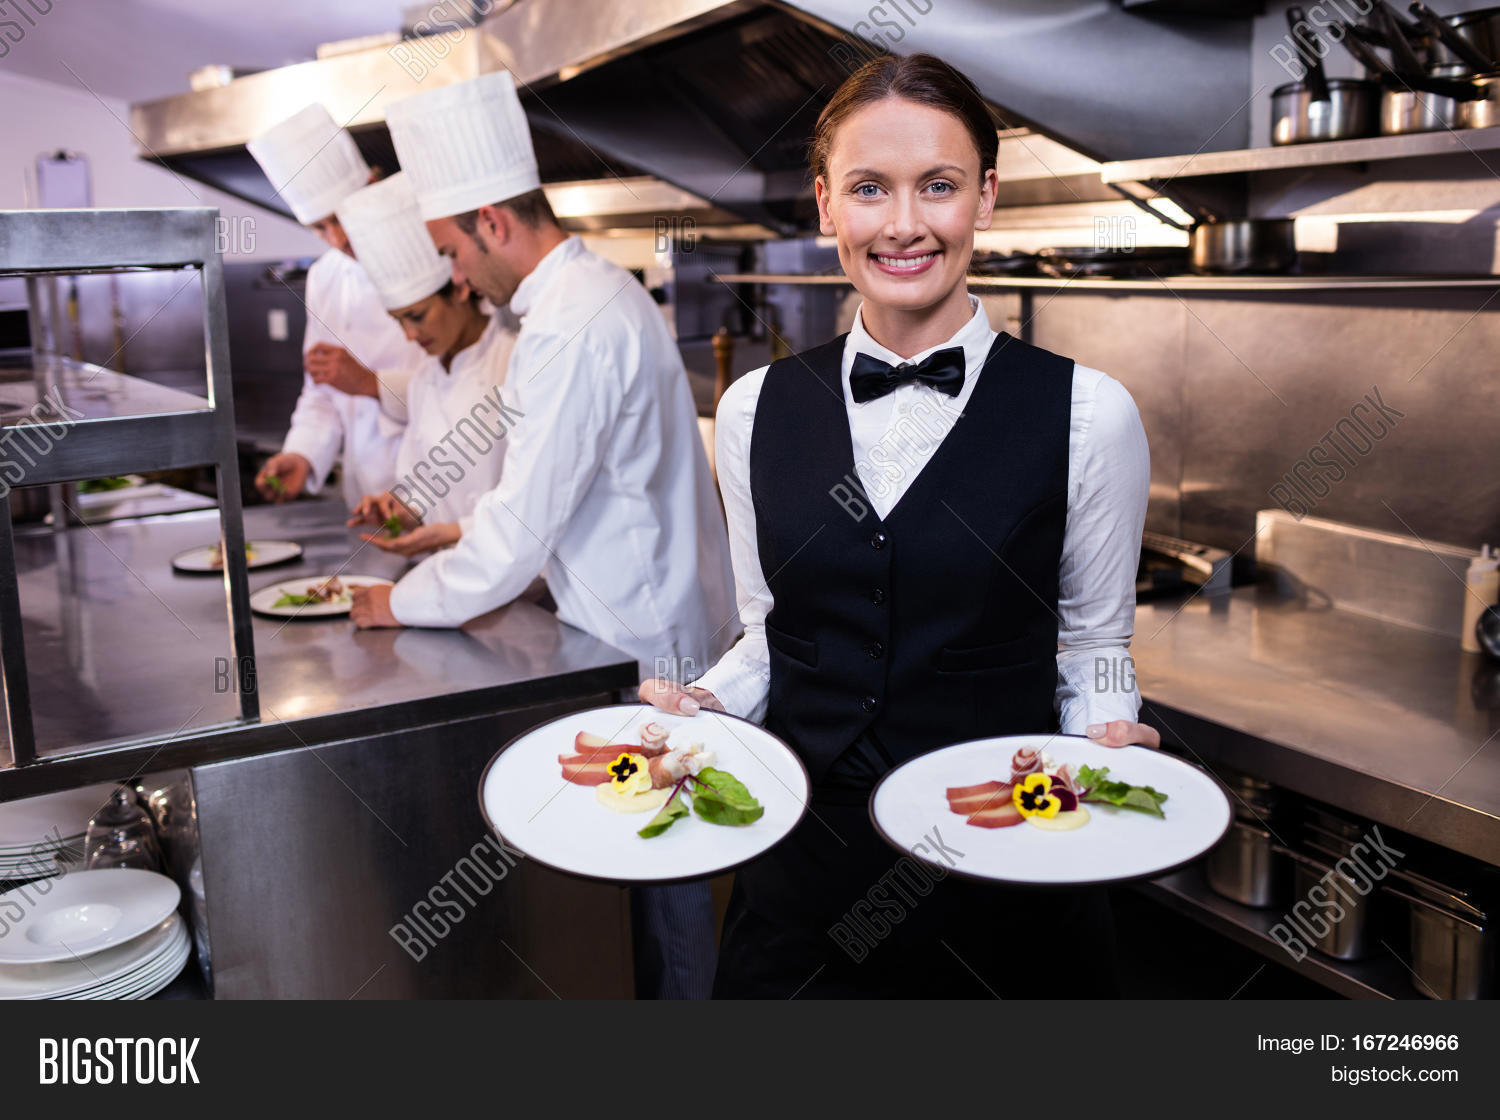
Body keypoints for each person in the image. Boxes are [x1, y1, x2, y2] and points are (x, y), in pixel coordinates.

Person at [640, 54, 1158, 999]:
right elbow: (769, 635)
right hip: (801, 883)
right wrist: (706, 705)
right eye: (870, 188)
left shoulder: (1091, 412)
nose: (904, 224)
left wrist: (1107, 735)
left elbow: (1094, 648)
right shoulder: (752, 409)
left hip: (1003, 873)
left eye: (939, 186)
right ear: (826, 205)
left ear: (986, 197)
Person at [353, 71, 737, 1000]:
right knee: (656, 864)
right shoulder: (591, 294)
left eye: (451, 250)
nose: (455, 275)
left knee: (667, 871)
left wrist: (398, 601)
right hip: (646, 618)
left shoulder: (566, 328)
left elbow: (522, 527)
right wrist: (446, 539)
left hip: (641, 638)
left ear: (492, 222)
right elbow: (558, 499)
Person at [246, 103, 424, 509]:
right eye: (320, 227)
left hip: (444, 491)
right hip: (367, 499)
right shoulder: (325, 277)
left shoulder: (437, 258)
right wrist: (302, 454)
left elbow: (475, 389)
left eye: (342, 217)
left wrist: (370, 383)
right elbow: (322, 390)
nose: (338, 239)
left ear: (373, 184)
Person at [332, 172, 517, 552]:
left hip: (519, 578)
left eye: (416, 316)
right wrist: (400, 511)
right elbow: (423, 493)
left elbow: (535, 500)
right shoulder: (425, 380)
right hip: (448, 572)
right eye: (398, 321)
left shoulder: (516, 360)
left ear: (460, 288)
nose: (409, 335)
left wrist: (455, 532)